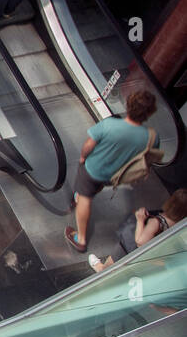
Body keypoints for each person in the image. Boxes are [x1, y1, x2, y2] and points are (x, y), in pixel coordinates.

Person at [66, 91, 160, 253]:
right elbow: (148, 160)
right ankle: (84, 194)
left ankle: (80, 239)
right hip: (116, 175)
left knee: (85, 199)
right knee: (96, 186)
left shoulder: (110, 125)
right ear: (149, 113)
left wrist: (83, 157)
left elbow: (89, 145)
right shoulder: (152, 137)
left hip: (93, 169)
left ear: (128, 104)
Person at [90, 189, 187, 273]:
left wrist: (140, 220)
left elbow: (140, 241)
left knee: (114, 262)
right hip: (152, 255)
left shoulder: (157, 222)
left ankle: (101, 269)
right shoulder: (179, 224)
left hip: (130, 248)